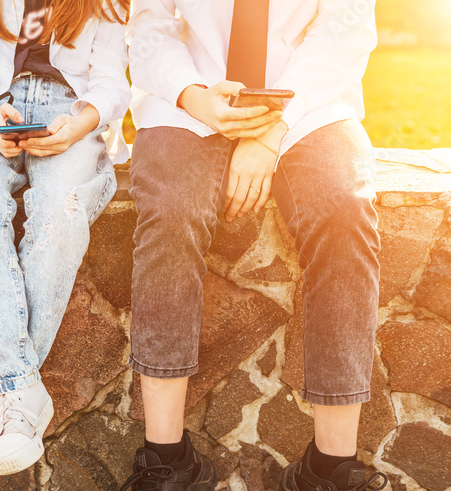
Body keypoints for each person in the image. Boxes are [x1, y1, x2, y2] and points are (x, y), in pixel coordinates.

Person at [123, 1, 388, 489]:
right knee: (170, 212)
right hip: (190, 101)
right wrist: (194, 95)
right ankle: (166, 458)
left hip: (310, 104)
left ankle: (331, 467)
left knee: (344, 210)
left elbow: (342, 33)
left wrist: (271, 133)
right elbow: (149, 30)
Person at [0, 0, 131, 478]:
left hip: (70, 112)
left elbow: (111, 78)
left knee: (63, 210)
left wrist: (81, 124)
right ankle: (21, 392)